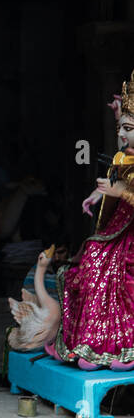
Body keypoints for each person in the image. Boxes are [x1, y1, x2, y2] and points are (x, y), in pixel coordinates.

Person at [58, 75, 134, 370]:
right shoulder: (121, 158)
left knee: (120, 274)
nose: (122, 136)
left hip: (129, 235)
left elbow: (121, 189)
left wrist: (122, 193)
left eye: (128, 129)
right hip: (115, 229)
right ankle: (96, 344)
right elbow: (111, 182)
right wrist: (95, 196)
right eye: (119, 129)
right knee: (92, 262)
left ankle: (125, 345)